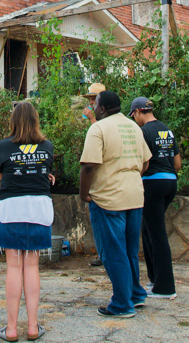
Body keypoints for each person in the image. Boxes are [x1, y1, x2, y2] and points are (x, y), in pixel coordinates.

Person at [79, 91, 151, 318]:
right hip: (135, 196)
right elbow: (146, 163)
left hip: (108, 198)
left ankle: (121, 304)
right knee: (130, 250)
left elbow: (89, 165)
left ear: (101, 108)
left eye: (96, 104)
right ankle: (136, 295)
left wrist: (83, 194)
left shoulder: (97, 129)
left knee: (112, 252)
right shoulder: (134, 127)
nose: (94, 107)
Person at [0, 102, 54, 342]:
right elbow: (45, 173)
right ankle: (33, 327)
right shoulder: (47, 146)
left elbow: (3, 176)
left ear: (13, 121)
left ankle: (12, 328)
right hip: (39, 208)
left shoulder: (3, 146)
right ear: (36, 120)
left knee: (14, 267)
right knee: (32, 267)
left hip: (12, 207)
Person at [130, 97, 180, 300]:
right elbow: (177, 163)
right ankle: (154, 279)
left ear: (137, 113)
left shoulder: (143, 132)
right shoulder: (166, 130)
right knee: (148, 229)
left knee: (157, 234)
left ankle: (165, 287)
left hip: (152, 184)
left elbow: (145, 164)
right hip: (170, 182)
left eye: (133, 116)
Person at [81, 82, 106, 267]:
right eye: (89, 99)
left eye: (93, 99)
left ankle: (106, 255)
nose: (90, 102)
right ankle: (102, 253)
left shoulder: (103, 119)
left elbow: (102, 135)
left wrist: (91, 119)